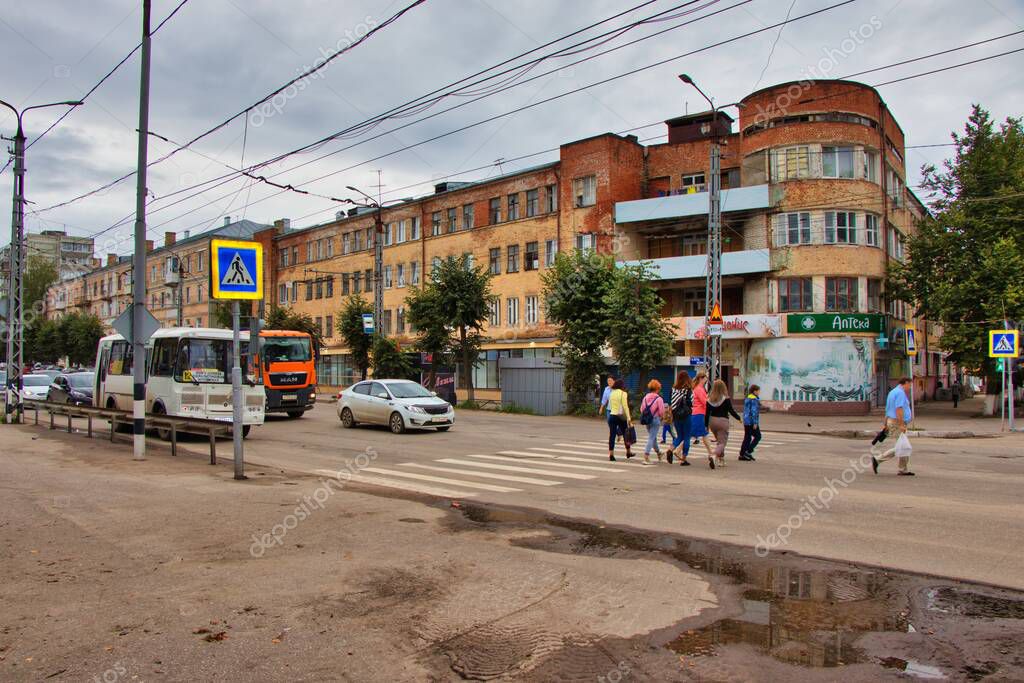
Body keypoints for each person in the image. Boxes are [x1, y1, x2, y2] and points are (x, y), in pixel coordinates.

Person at [872, 377, 915, 476]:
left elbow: (888, 409)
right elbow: (898, 409)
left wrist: (885, 423)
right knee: (902, 446)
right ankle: (878, 460)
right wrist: (901, 424)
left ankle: (902, 469)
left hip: (892, 421)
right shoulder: (900, 393)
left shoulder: (893, 392)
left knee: (903, 446)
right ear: (906, 383)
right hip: (897, 423)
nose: (910, 387)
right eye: (910, 385)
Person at [705, 379, 741, 469]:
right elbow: (731, 410)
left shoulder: (710, 399)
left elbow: (707, 413)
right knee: (722, 443)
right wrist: (738, 418)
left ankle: (721, 460)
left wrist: (706, 426)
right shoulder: (726, 399)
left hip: (712, 422)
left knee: (720, 441)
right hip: (723, 422)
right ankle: (713, 456)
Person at [670, 372, 694, 466]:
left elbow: (671, 401)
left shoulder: (673, 389)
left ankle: (670, 449)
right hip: (686, 415)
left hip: (676, 416)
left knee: (679, 436)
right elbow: (691, 402)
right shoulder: (688, 390)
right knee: (687, 436)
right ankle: (684, 459)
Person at [606, 379, 632, 462]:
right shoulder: (623, 393)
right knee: (626, 435)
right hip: (620, 417)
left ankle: (611, 455)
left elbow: (610, 405)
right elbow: (625, 406)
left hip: (612, 416)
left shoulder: (612, 393)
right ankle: (628, 452)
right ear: (622, 386)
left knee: (612, 436)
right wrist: (629, 418)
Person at [640, 380, 665, 465]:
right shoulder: (659, 399)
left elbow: (642, 409)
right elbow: (662, 412)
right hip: (655, 419)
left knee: (653, 438)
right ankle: (646, 456)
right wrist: (662, 418)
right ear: (657, 388)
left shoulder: (645, 398)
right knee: (651, 438)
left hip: (647, 420)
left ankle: (659, 453)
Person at [739, 384, 761, 461]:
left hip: (746, 420)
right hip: (751, 422)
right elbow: (754, 412)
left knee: (747, 437)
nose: (759, 392)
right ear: (754, 391)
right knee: (758, 436)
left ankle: (742, 454)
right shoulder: (754, 400)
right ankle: (748, 451)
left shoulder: (748, 398)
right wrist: (755, 422)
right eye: (758, 391)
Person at [690, 370, 709, 450]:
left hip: (698, 413)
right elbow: (704, 402)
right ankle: (676, 449)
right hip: (699, 413)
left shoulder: (699, 388)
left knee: (702, 434)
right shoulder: (699, 389)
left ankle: (711, 453)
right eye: (705, 378)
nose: (706, 380)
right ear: (701, 379)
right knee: (691, 434)